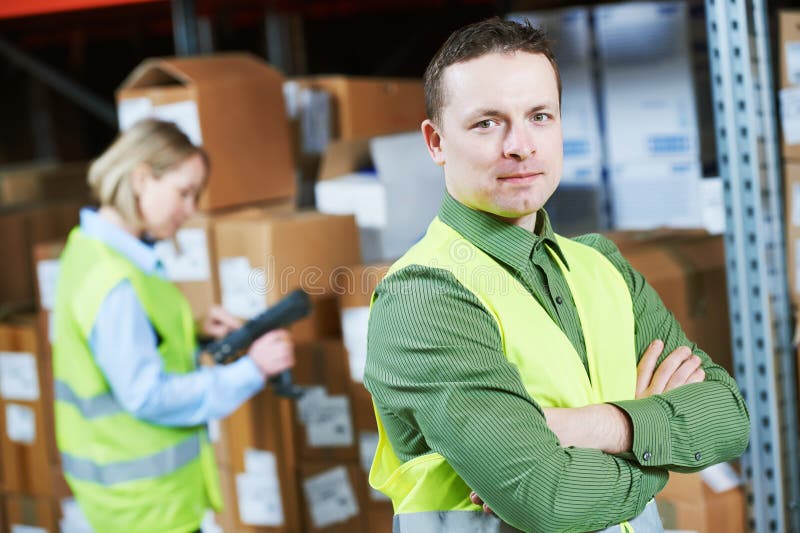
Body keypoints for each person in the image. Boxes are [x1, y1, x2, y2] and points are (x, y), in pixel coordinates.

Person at [364, 18, 750, 533]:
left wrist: (593, 426)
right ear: (435, 142)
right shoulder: (425, 296)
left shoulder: (601, 266)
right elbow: (550, 499)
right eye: (487, 123)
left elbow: (728, 418)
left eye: (540, 116)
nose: (520, 145)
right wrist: (658, 446)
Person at [52, 118, 294, 533]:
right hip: (146, 510)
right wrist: (251, 370)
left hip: (139, 505)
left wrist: (197, 333)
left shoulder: (91, 249)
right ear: (142, 179)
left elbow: (127, 349)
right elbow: (147, 394)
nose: (191, 209)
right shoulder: (115, 281)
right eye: (184, 192)